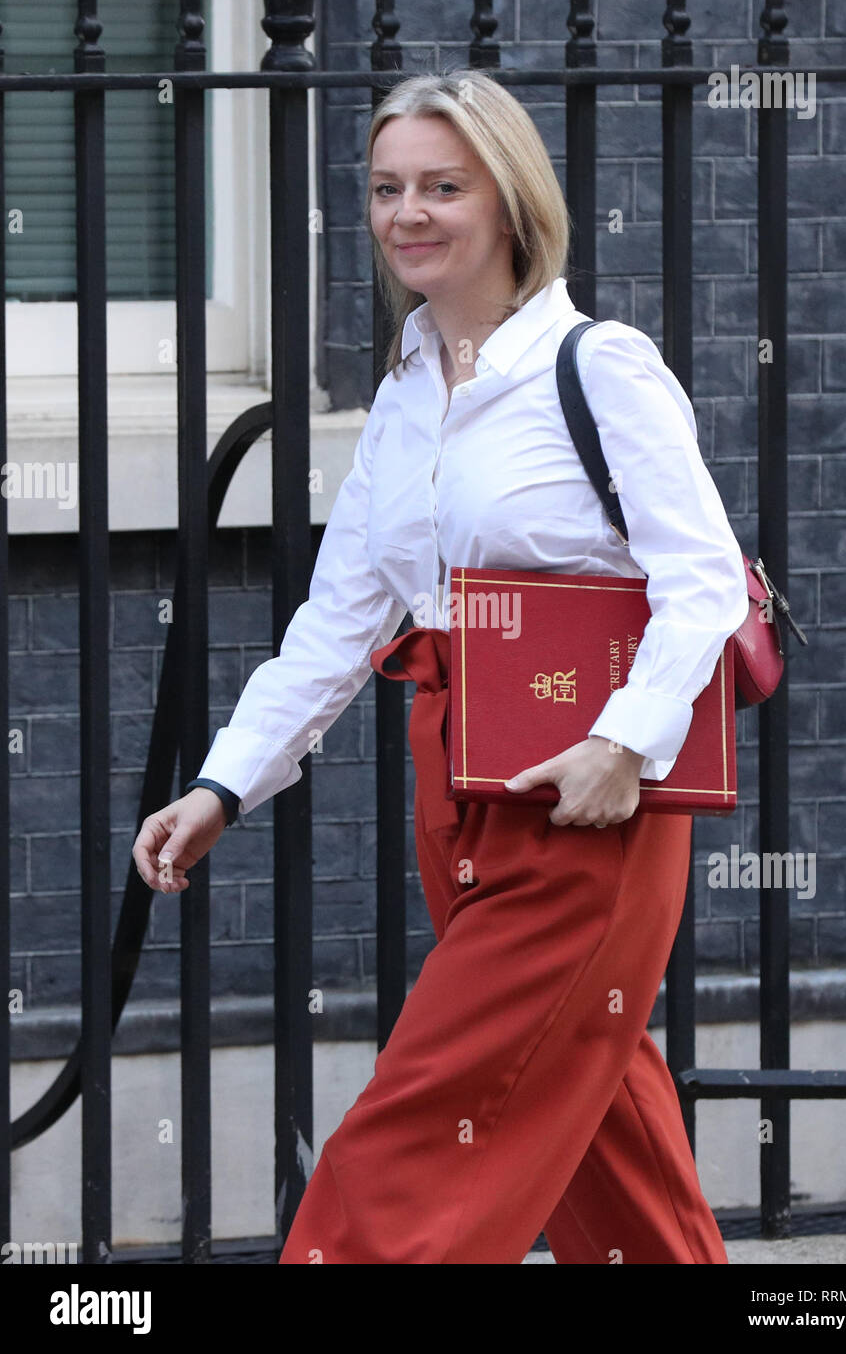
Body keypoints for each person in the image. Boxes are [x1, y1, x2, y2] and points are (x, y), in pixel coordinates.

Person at [133, 68, 749, 1264]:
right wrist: (223, 786)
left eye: (442, 187)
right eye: (386, 188)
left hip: (586, 809)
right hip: (454, 792)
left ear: (510, 203)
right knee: (600, 1123)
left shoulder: (597, 366)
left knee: (414, 1141)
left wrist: (625, 742)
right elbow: (337, 620)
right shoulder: (408, 392)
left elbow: (706, 578)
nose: (407, 212)